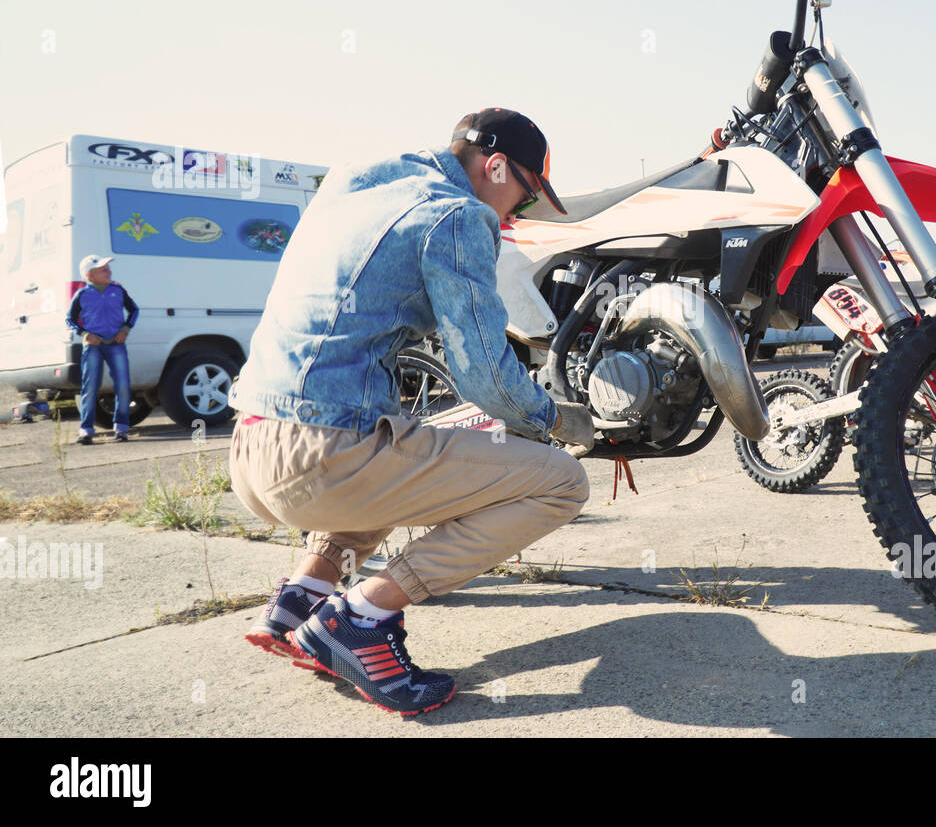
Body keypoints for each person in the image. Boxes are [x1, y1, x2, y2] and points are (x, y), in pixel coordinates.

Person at [228, 108, 594, 716]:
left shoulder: (352, 185)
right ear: (494, 165)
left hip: (253, 447)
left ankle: (300, 600)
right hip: (322, 456)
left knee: (397, 466)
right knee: (561, 484)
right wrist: (555, 421)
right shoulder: (456, 214)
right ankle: (357, 621)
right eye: (523, 199)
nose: (514, 216)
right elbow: (481, 373)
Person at [65, 255, 138, 443]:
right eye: (103, 269)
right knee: (90, 387)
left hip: (116, 345)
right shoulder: (82, 295)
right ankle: (86, 430)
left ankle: (121, 429)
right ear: (90, 275)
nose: (108, 271)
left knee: (122, 385)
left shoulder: (118, 290)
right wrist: (84, 334)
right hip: (93, 347)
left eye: (107, 268)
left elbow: (134, 310)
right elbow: (70, 319)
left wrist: (125, 329)